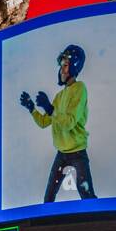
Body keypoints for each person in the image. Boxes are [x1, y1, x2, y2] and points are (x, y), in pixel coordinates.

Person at [20, 44, 95, 204]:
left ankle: (100, 225)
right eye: (61, 65)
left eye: (65, 65)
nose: (61, 69)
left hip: (78, 153)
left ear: (74, 66)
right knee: (48, 199)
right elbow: (44, 122)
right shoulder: (59, 96)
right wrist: (32, 108)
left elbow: (69, 122)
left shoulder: (80, 89)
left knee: (87, 196)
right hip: (61, 154)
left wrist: (49, 108)